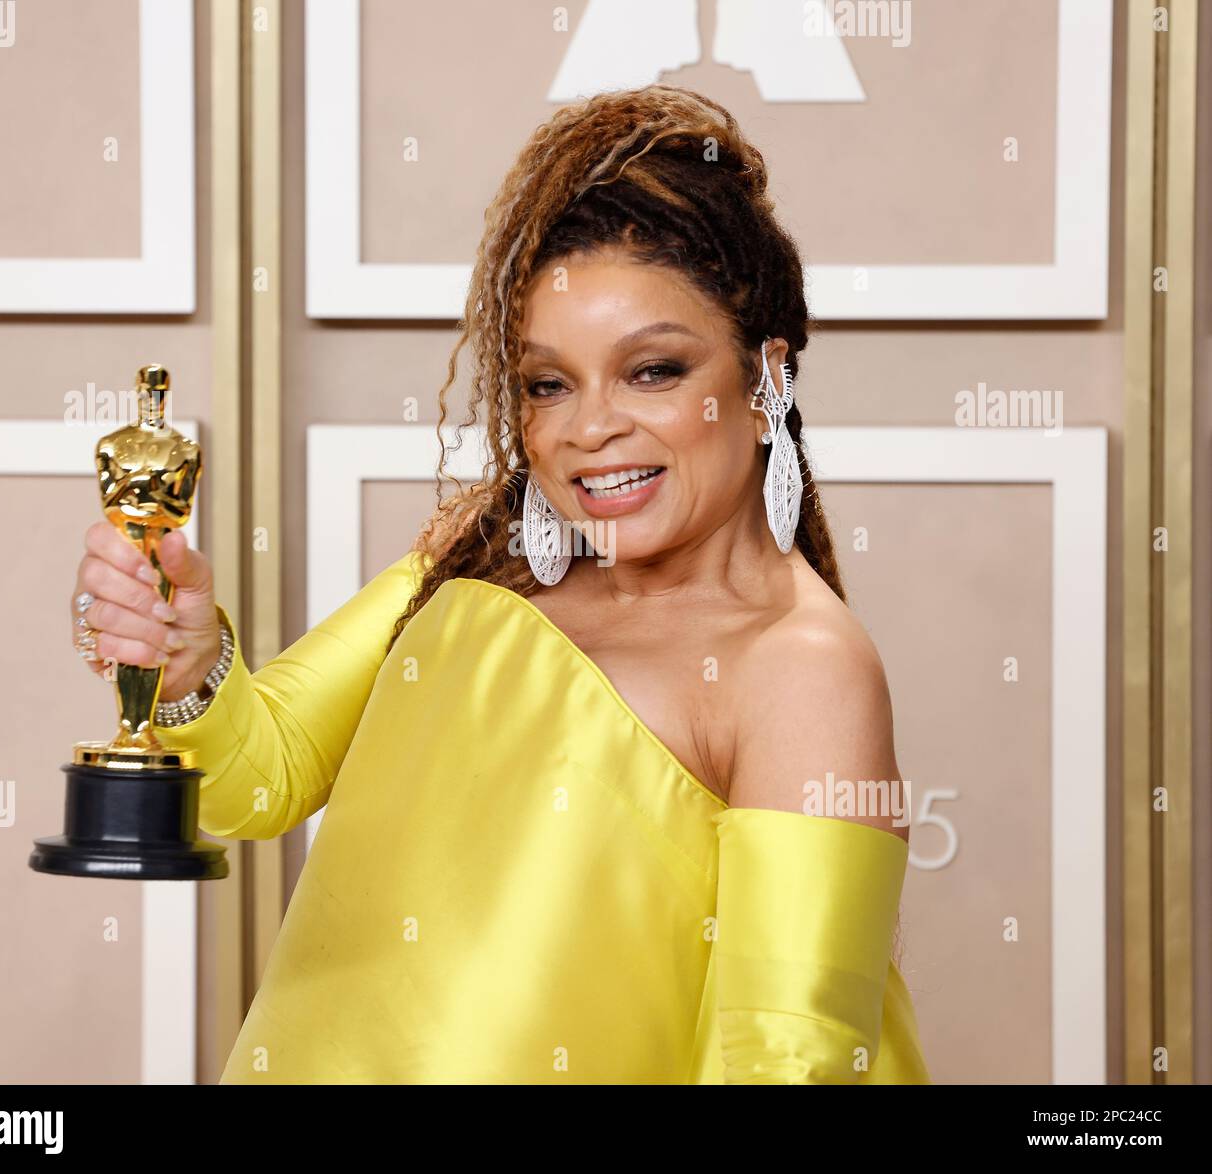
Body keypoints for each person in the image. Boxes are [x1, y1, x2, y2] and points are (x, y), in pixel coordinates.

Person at [69, 85, 929, 1084]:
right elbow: (258, 778)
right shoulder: (481, 549)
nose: (587, 428)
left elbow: (787, 1065)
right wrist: (187, 665)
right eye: (546, 384)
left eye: (651, 370)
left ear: (764, 374)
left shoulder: (800, 667)